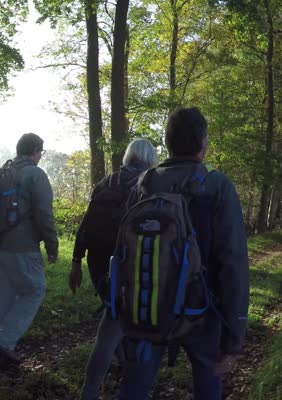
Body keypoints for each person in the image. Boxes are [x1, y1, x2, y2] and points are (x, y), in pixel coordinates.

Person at [118, 107, 249, 400]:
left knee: (133, 388)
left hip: (146, 307)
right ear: (203, 144)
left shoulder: (143, 185)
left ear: (167, 142)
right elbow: (233, 262)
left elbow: (124, 252)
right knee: (207, 385)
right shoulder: (217, 186)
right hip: (202, 310)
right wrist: (234, 337)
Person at [70, 139, 159, 400]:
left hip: (98, 265)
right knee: (112, 329)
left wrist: (76, 261)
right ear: (150, 160)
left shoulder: (106, 182)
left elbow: (86, 224)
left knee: (115, 319)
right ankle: (93, 390)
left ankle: (117, 369)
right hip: (124, 267)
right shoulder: (147, 186)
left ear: (128, 156)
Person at [0, 133, 58, 363]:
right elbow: (44, 214)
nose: (40, 157)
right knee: (34, 290)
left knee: (5, 290)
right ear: (35, 151)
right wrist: (52, 245)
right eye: (41, 152)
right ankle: (3, 341)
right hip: (23, 245)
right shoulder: (35, 175)